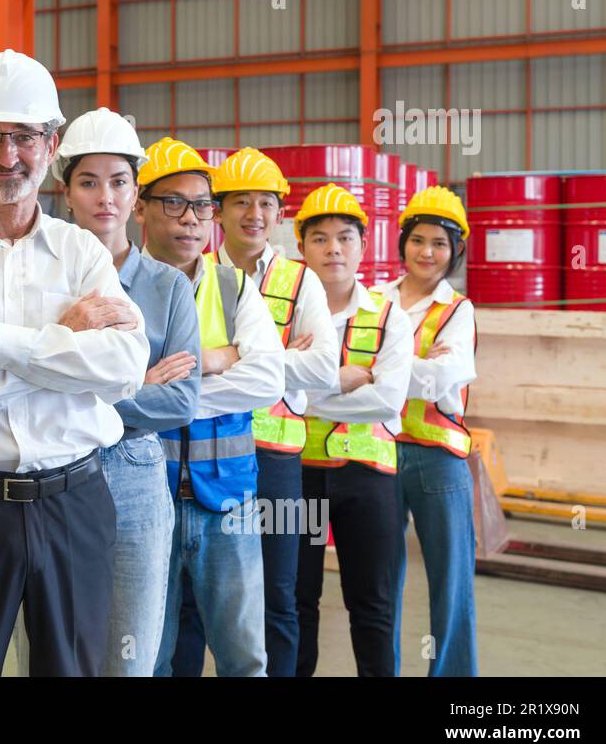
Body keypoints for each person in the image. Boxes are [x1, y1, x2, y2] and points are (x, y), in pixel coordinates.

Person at [0, 52, 150, 677]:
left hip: (75, 500)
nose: (8, 156)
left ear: (52, 144)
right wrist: (59, 343)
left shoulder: (80, 251)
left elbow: (123, 369)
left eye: (25, 137)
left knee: (76, 669)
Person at [45, 107, 201, 676]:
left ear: (135, 196)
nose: (103, 197)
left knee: (130, 653)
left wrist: (74, 385)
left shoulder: (167, 288)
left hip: (135, 477)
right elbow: (21, 383)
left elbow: (182, 401)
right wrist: (136, 382)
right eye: (88, 182)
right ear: (66, 192)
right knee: (52, 651)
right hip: (51, 471)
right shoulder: (39, 280)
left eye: (118, 182)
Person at [173, 146, 339, 677]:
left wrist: (245, 357)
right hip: (204, 453)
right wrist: (250, 358)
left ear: (280, 214)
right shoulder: (191, 272)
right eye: (240, 201)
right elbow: (171, 366)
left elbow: (325, 370)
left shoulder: (300, 280)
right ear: (216, 212)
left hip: (276, 461)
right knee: (192, 602)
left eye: (266, 202)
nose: (254, 214)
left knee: (278, 598)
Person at [138, 138, 285, 678]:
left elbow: (268, 379)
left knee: (244, 657)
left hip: (228, 501)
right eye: (173, 203)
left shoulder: (234, 286)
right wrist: (220, 360)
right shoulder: (118, 286)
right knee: (146, 655)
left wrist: (170, 386)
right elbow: (109, 385)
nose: (191, 218)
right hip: (141, 499)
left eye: (202, 205)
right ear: (141, 208)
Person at [293, 183, 412, 678]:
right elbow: (267, 388)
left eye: (345, 237)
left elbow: (388, 400)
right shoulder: (282, 312)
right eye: (319, 238)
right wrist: (340, 383)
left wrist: (304, 388)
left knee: (373, 606)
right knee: (295, 602)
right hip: (296, 477)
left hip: (369, 478)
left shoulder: (389, 317)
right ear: (300, 247)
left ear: (363, 246)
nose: (333, 248)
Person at [375, 185, 478, 677]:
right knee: (380, 583)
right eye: (418, 240)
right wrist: (413, 365)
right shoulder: (375, 299)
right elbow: (351, 363)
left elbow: (441, 378)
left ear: (455, 250)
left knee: (450, 583)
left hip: (439, 458)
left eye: (440, 243)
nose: (428, 252)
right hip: (380, 452)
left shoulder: (459, 310)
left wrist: (388, 367)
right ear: (403, 244)